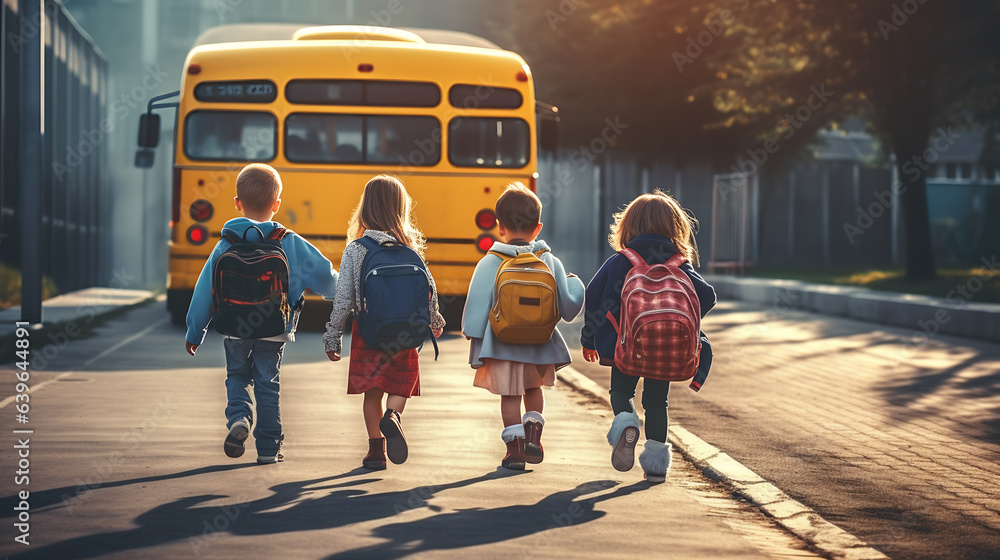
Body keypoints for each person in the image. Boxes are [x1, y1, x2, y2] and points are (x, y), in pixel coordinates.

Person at [185, 163, 339, 464]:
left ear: (237, 203)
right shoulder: (288, 241)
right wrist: (340, 295)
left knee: (237, 375)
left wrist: (195, 332)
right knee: (268, 383)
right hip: (274, 327)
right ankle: (268, 449)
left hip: (234, 327)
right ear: (276, 204)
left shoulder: (225, 243)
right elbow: (324, 276)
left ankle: (240, 417)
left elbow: (204, 291)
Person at [581, 190, 716, 483]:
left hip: (625, 347)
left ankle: (627, 424)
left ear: (628, 226)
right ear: (674, 228)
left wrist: (588, 339)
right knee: (657, 403)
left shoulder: (621, 260)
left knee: (621, 393)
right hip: (666, 349)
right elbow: (707, 296)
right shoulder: (681, 264)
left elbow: (592, 297)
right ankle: (655, 465)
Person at [323, 175, 445, 471]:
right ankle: (393, 416)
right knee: (403, 383)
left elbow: (343, 299)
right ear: (400, 209)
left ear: (365, 208)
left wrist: (333, 337)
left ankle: (375, 451)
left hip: (369, 330)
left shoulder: (356, 249)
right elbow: (429, 287)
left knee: (371, 392)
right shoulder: (410, 247)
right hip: (405, 332)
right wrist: (435, 319)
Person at [462, 182, 585, 470]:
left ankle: (514, 450)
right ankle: (534, 433)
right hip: (539, 344)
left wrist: (475, 341)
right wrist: (575, 284)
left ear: (500, 227)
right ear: (538, 227)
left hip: (501, 344)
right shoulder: (549, 261)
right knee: (533, 389)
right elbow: (567, 307)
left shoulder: (491, 261)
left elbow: (476, 309)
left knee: (510, 396)